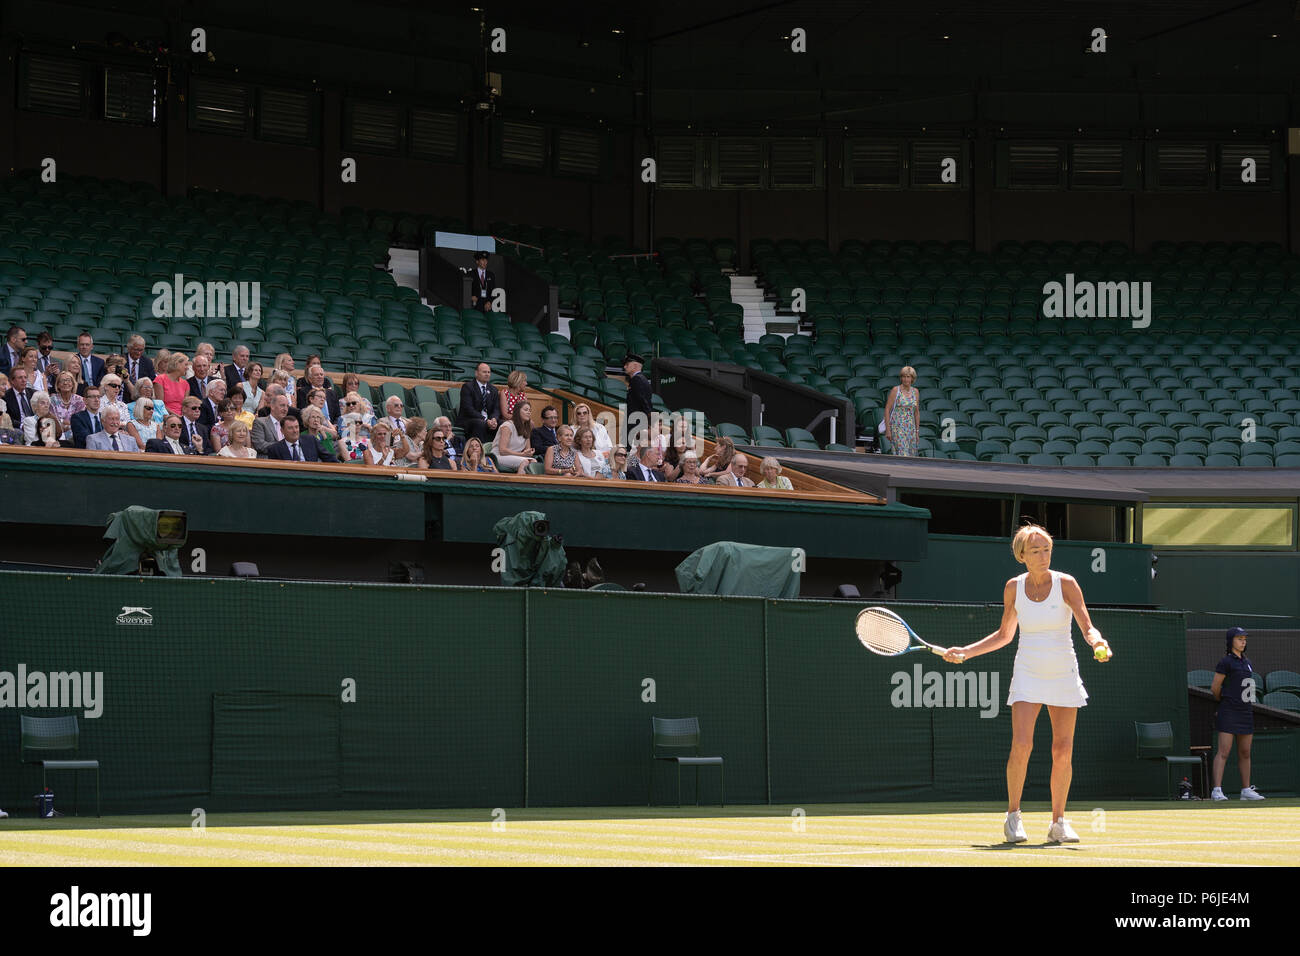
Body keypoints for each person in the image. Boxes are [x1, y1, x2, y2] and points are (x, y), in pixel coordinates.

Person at [940, 524, 1112, 845]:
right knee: (1022, 745)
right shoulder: (1013, 588)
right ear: (1022, 555)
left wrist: (1097, 640)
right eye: (1036, 551)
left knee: (1062, 750)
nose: (1043, 555)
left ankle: (1058, 822)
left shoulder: (1067, 584)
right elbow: (1005, 635)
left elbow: (1087, 626)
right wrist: (967, 651)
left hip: (1063, 671)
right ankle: (1013, 816)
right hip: (1028, 671)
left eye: (1047, 549)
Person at [1210, 627, 1266, 801]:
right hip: (1228, 711)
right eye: (1239, 638)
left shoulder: (1247, 662)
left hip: (1245, 712)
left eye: (1244, 639)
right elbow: (1215, 688)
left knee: (1245, 752)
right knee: (1224, 752)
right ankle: (1217, 790)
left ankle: (1245, 790)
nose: (1243, 641)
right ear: (1230, 641)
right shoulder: (1225, 662)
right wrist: (1226, 701)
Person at [458, 362, 503, 443]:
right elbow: (468, 409)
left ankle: (499, 451)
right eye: (484, 372)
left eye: (489, 372)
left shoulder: (494, 390)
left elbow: (496, 409)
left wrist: (494, 419)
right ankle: (481, 451)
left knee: (503, 424)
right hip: (469, 420)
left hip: (488, 420)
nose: (487, 374)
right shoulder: (468, 387)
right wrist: (486, 420)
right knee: (481, 423)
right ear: (476, 373)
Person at [884, 365, 920, 457]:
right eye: (903, 376)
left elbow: (916, 412)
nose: (905, 379)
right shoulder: (896, 390)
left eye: (908, 377)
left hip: (910, 428)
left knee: (911, 455)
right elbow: (887, 409)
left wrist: (917, 431)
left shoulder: (915, 391)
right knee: (902, 455)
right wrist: (888, 430)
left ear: (912, 378)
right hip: (897, 427)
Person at [267, 413, 334, 462]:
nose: (295, 431)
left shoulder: (311, 440)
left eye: (296, 427)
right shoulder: (275, 449)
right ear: (282, 431)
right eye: (290, 428)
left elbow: (329, 457)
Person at [493, 400, 535, 474]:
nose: (529, 412)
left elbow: (527, 449)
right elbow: (502, 451)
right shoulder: (507, 426)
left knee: (534, 462)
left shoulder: (527, 428)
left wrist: (529, 453)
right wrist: (521, 455)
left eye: (530, 410)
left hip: (515, 456)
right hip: (498, 456)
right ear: (517, 412)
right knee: (524, 462)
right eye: (526, 410)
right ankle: (518, 483)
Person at [623, 353, 654, 440]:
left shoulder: (637, 379)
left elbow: (643, 400)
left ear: (635, 365)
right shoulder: (642, 378)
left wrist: (649, 417)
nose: (625, 367)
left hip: (636, 420)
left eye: (627, 364)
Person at [155, 352, 191, 417]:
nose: (187, 368)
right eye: (185, 365)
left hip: (181, 417)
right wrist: (176, 416)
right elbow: (159, 405)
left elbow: (185, 406)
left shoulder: (185, 384)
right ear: (177, 364)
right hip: (164, 416)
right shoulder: (160, 379)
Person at [122, 334, 156, 399]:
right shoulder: (121, 360)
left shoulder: (147, 362)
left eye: (141, 350)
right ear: (129, 348)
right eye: (136, 350)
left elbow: (152, 381)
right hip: (124, 397)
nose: (139, 353)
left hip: (143, 398)